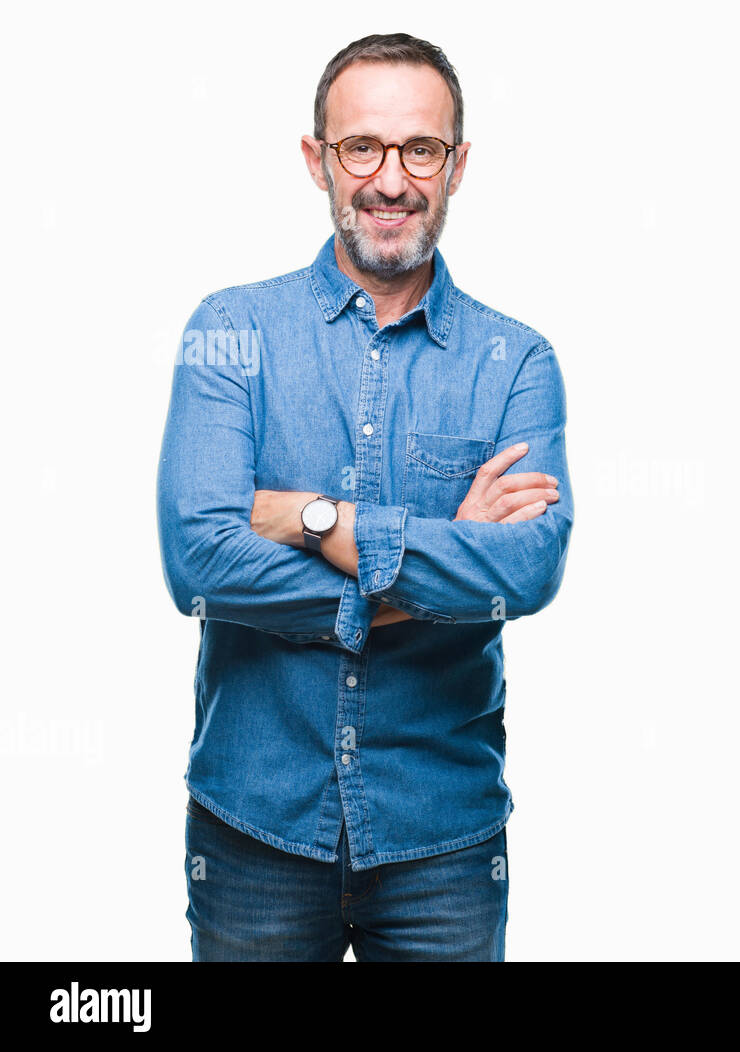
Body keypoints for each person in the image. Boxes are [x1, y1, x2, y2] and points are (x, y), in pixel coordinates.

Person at [156, 32, 574, 961]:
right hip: (253, 827)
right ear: (317, 160)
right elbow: (199, 563)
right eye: (362, 149)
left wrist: (308, 519)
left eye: (420, 149)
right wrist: (430, 564)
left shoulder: (518, 365)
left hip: (444, 842)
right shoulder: (231, 331)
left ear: (458, 165)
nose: (391, 180)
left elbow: (528, 568)